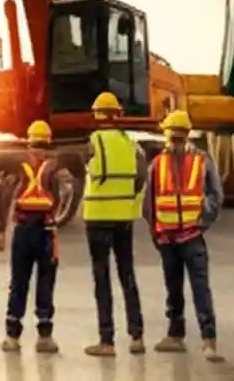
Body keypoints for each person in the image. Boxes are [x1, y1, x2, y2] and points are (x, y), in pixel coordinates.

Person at [145, 110, 224, 361]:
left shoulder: (200, 161)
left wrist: (201, 222)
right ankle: (185, 336)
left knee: (197, 288)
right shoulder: (159, 163)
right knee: (177, 288)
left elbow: (215, 195)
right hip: (171, 238)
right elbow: (150, 203)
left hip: (188, 237)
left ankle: (205, 338)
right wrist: (158, 233)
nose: (175, 140)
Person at [82, 92, 147, 356]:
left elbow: (83, 171)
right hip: (123, 217)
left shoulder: (92, 141)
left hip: (97, 217)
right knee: (127, 274)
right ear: (118, 114)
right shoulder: (131, 144)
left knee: (102, 278)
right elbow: (141, 178)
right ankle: (137, 337)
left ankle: (106, 341)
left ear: (97, 114)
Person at [0, 120, 62, 354]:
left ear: (29, 139)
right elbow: (63, 194)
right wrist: (57, 219)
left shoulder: (18, 163)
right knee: (45, 283)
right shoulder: (54, 166)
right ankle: (45, 337)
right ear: (48, 140)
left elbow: (4, 190)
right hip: (46, 230)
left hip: (23, 230)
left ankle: (13, 336)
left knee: (19, 282)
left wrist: (2, 228)